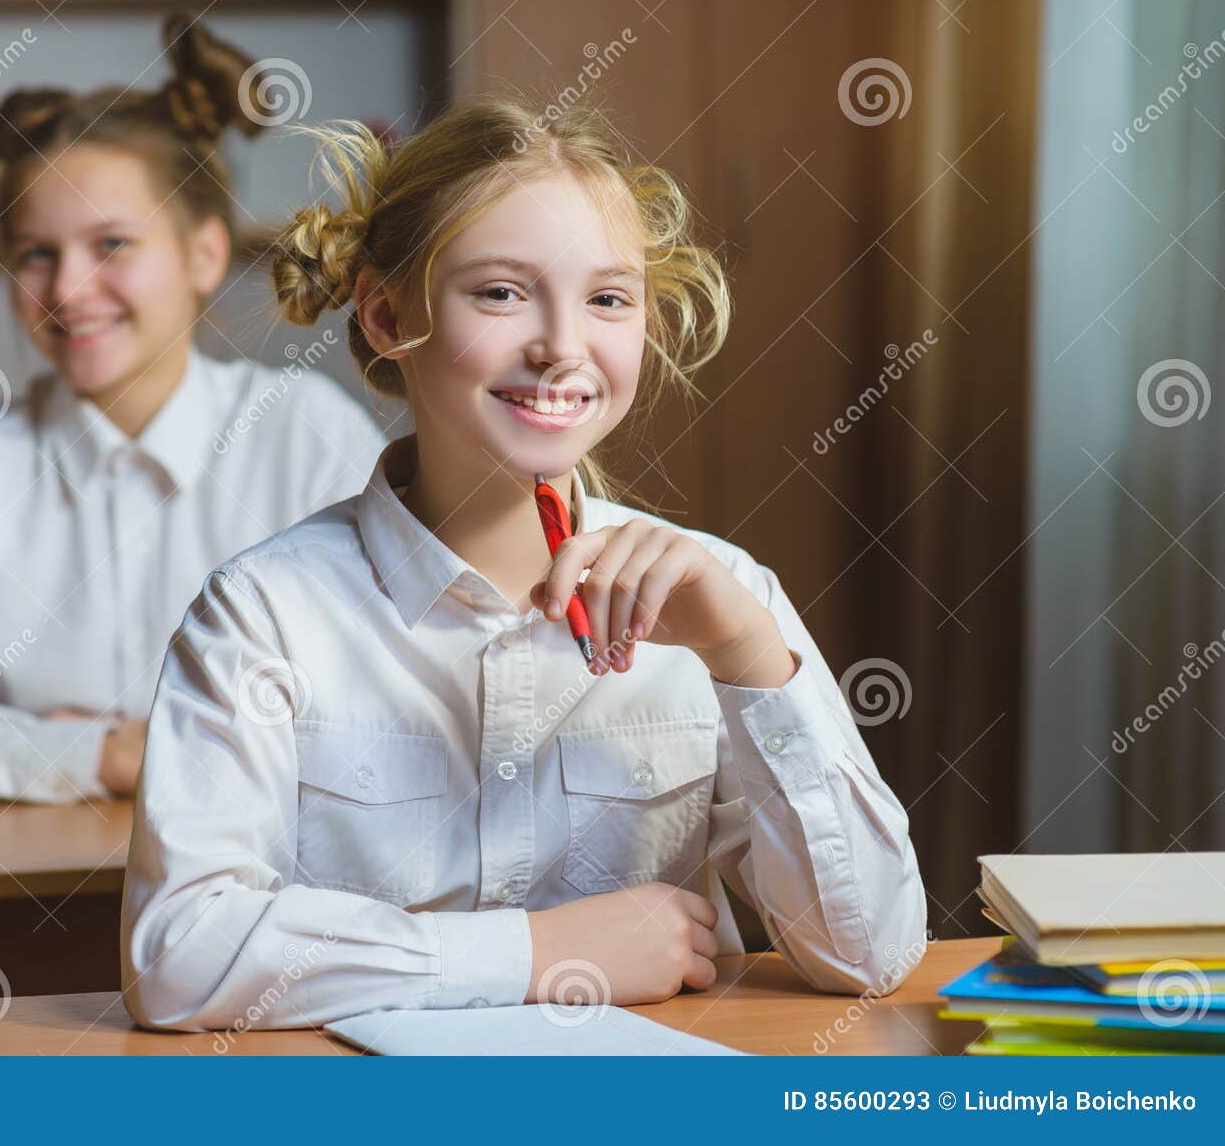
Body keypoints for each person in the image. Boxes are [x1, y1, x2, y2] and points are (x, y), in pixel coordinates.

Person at [121, 99, 926, 1029]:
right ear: (388, 315)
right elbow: (179, 958)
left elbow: (872, 954)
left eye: (609, 299)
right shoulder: (263, 613)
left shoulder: (723, 597)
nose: (562, 346)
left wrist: (750, 658)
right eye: (501, 292)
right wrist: (539, 954)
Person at [0, 15, 386, 803]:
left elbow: (383, 695)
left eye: (112, 244)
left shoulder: (305, 436)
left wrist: (44, 745)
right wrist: (95, 750)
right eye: (37, 255)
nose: (69, 290)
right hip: (22, 893)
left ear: (204, 254)